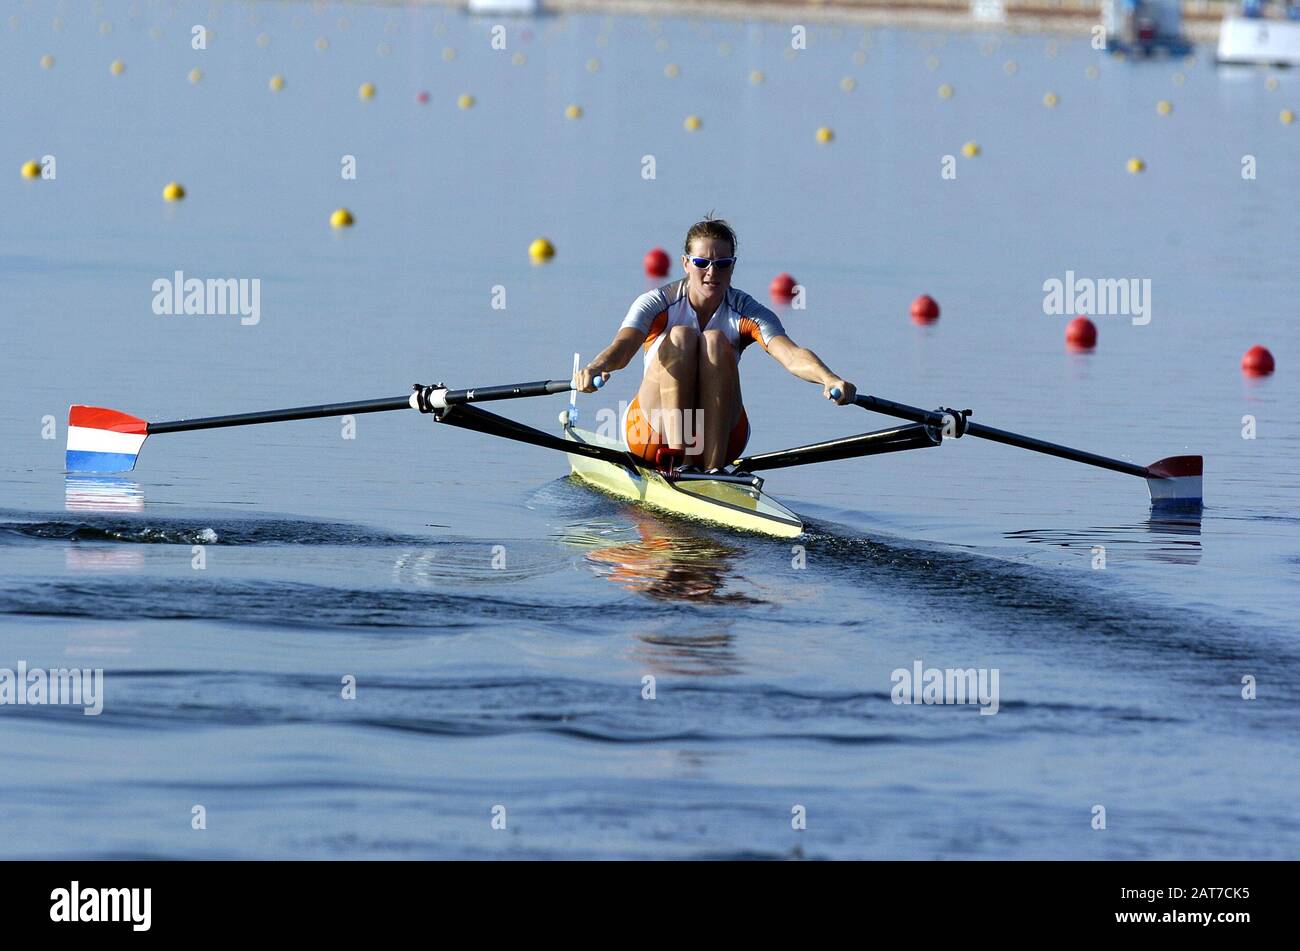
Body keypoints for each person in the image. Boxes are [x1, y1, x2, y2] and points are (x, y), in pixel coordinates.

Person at [573, 217, 857, 473]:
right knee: (682, 336)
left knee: (714, 341)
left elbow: (791, 355)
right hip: (651, 434)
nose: (712, 272)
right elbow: (624, 346)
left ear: (732, 266)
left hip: (724, 438)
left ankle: (712, 470)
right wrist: (595, 367)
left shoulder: (747, 312)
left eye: (723, 264)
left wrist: (828, 377)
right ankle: (679, 459)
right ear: (686, 263)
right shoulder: (657, 302)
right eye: (701, 263)